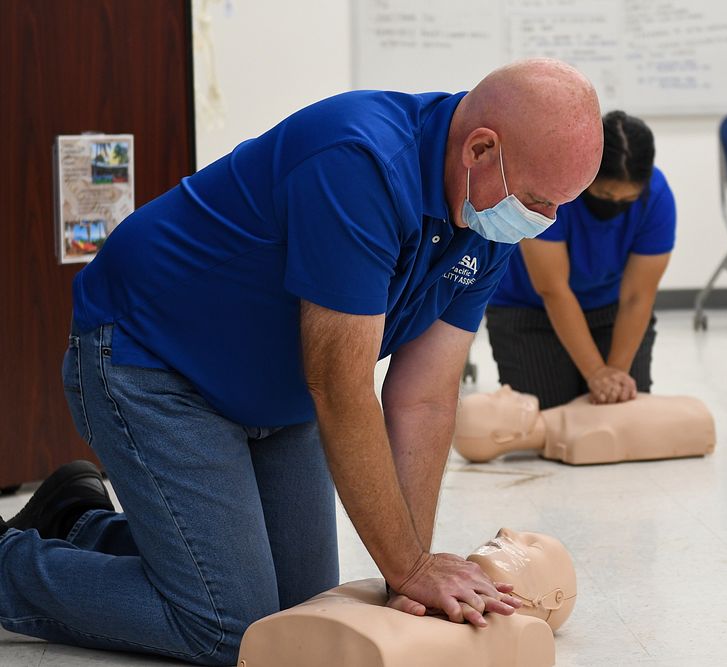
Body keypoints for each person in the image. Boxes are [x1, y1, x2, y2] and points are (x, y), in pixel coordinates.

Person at [0, 58, 603, 665]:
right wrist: (411, 566)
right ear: (480, 149)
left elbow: (423, 399)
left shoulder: (486, 222)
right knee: (234, 626)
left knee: (298, 612)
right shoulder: (360, 163)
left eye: (558, 206)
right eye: (536, 200)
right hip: (154, 359)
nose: (542, 222)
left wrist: (409, 574)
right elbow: (340, 386)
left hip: (276, 390)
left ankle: (75, 521)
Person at [486, 111, 676, 409]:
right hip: (529, 309)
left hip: (611, 309)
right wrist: (595, 372)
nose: (614, 205)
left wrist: (614, 374)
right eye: (605, 195)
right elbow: (553, 289)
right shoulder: (552, 187)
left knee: (621, 408)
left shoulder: (657, 196)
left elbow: (638, 296)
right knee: (548, 414)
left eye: (626, 201)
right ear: (587, 175)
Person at [237, 528, 575, 667]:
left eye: (531, 545)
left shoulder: (525, 633)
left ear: (553, 599)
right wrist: (409, 571)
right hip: (294, 635)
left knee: (229, 632)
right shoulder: (377, 584)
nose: (505, 532)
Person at [453, 385, 716, 465]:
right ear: (502, 436)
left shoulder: (567, 415)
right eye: (494, 400)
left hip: (693, 410)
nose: (504, 389)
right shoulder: (582, 438)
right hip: (696, 421)